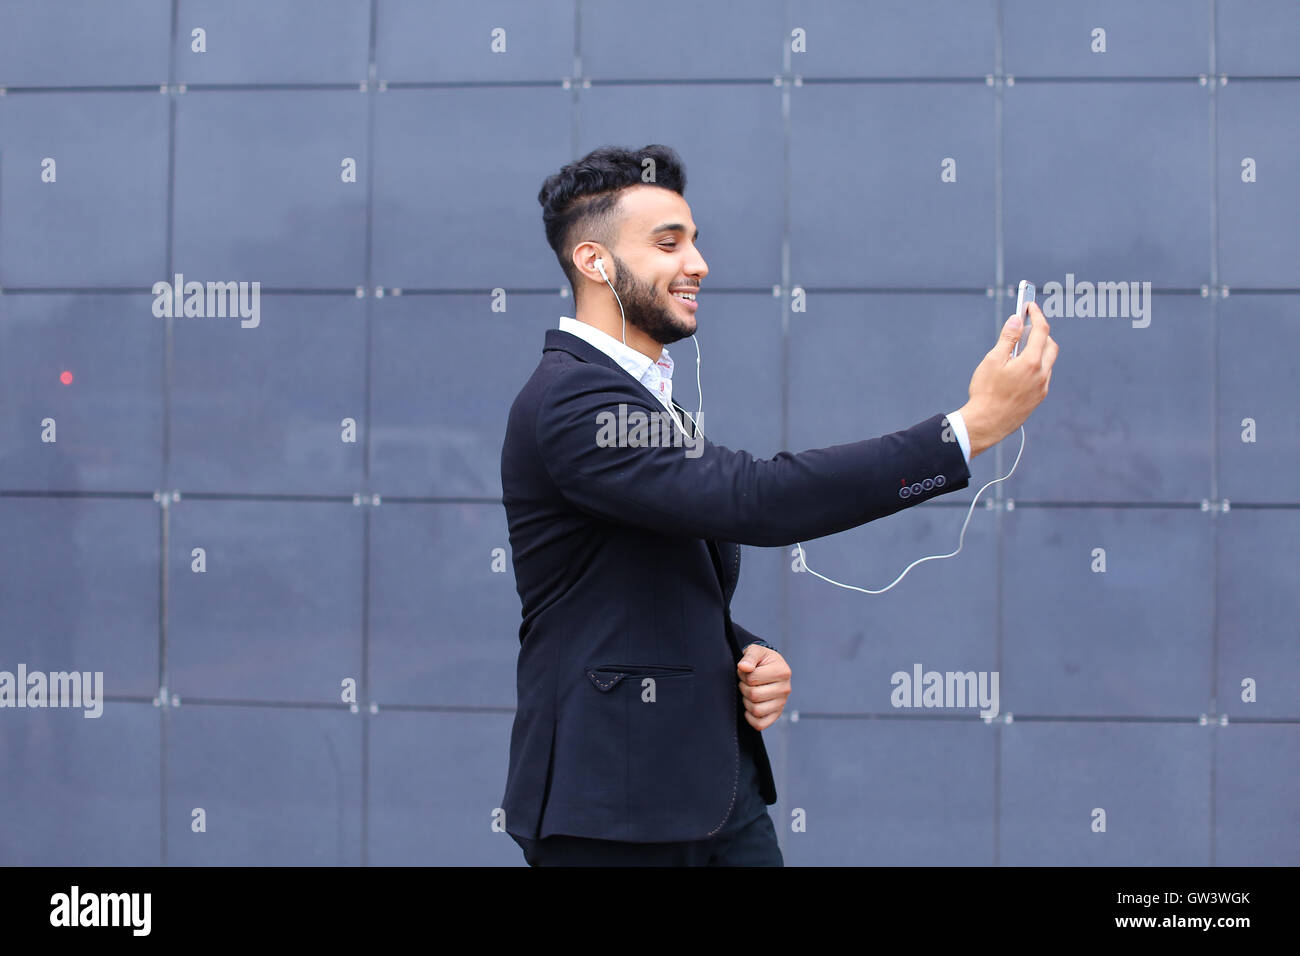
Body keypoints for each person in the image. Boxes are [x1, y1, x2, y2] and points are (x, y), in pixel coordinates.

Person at [498, 144, 1058, 866]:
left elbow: (629, 583)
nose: (698, 263)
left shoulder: (635, 397)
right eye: (669, 243)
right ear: (595, 262)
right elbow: (757, 499)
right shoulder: (576, 399)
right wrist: (967, 431)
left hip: (710, 795)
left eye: (695, 239)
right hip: (615, 810)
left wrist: (737, 651)